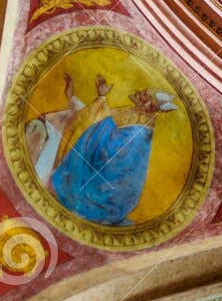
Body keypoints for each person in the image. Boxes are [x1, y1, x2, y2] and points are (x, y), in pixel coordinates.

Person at [30, 72, 177, 227]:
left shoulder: (138, 130)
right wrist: (76, 98)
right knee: (57, 125)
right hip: (93, 172)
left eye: (145, 94)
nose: (140, 92)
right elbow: (100, 122)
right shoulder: (135, 116)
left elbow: (107, 150)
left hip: (98, 192)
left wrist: (101, 98)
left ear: (149, 105)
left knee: (56, 131)